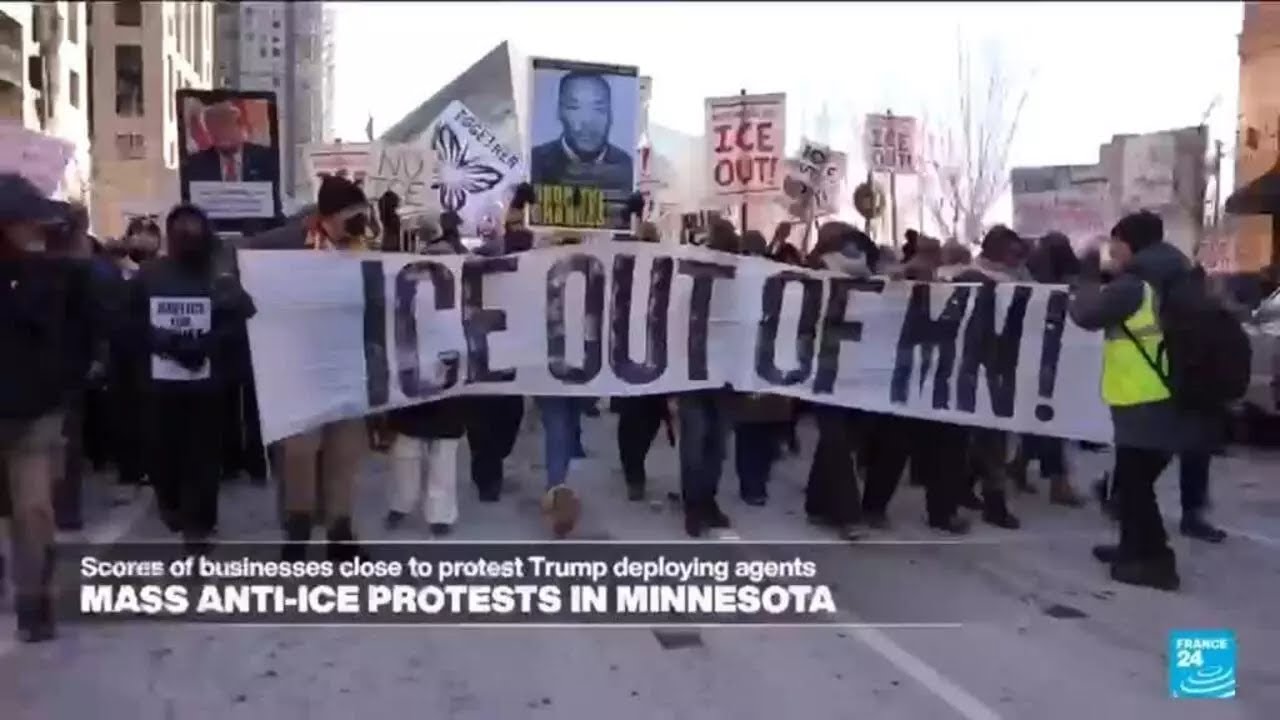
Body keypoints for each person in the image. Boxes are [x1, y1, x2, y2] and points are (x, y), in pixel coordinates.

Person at [1069, 211, 1220, 591]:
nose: (1112, 248)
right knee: (1132, 479)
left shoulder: (1135, 283)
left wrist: (1087, 277)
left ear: (1129, 241)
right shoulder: (1182, 273)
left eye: (1115, 241)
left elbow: (1085, 314)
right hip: (1174, 390)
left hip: (1145, 395)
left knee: (1135, 485)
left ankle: (1156, 562)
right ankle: (1131, 547)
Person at [126, 204, 256, 554]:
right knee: (162, 455)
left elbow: (243, 314)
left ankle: (198, 528)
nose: (188, 237)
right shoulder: (150, 275)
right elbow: (129, 321)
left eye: (195, 230)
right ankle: (172, 506)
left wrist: (205, 344)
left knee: (203, 459)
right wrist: (168, 345)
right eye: (181, 230)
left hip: (206, 386)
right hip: (160, 386)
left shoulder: (218, 274)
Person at [0, 174, 97, 642]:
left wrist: (65, 383)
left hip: (35, 414)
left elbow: (83, 328)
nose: (36, 231)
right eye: (26, 223)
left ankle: (34, 601)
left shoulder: (56, 275)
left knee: (34, 508)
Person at [265, 175, 374, 561]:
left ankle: (340, 535)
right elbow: (241, 256)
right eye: (353, 215)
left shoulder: (365, 250)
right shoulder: (289, 243)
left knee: (345, 456)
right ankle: (296, 534)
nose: (361, 222)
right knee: (300, 454)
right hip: (300, 369)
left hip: (347, 368)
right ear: (329, 216)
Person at [861, 233, 972, 534]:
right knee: (896, 448)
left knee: (940, 449)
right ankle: (878, 507)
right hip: (906, 380)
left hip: (931, 381)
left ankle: (938, 510)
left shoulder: (941, 288)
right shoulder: (897, 284)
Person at [385, 225, 465, 535]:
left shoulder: (459, 303)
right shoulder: (404, 299)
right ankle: (402, 503)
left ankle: (440, 514)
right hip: (413, 384)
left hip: (445, 385)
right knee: (407, 450)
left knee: (441, 453)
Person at [803, 222, 879, 539]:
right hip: (837, 364)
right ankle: (847, 514)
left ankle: (817, 504)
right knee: (836, 438)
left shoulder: (818, 269)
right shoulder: (825, 271)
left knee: (838, 438)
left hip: (839, 362)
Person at [950, 225, 1024, 530]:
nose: (1016, 259)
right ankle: (994, 503)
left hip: (999, 367)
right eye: (1012, 253)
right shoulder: (971, 279)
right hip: (980, 368)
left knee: (984, 436)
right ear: (996, 251)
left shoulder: (1014, 281)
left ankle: (963, 488)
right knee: (991, 436)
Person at [1008, 231, 1086, 507]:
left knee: (1040, 417)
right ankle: (1058, 482)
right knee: (1051, 418)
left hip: (1035, 354)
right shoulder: (1067, 282)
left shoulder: (1027, 277)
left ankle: (1020, 464)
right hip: (1051, 355)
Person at [676, 219, 739, 537]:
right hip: (697, 371)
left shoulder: (743, 279)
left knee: (708, 442)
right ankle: (697, 504)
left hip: (720, 372)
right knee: (704, 441)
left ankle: (703, 503)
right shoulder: (693, 278)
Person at [731, 230, 793, 505]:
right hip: (772, 362)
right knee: (765, 429)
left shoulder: (733, 275)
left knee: (750, 431)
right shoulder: (780, 276)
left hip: (750, 362)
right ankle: (757, 484)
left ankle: (751, 484)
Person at [612, 221, 670, 501]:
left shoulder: (627, 267)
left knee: (632, 419)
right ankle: (635, 470)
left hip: (631, 354)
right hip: (652, 355)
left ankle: (633, 471)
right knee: (647, 418)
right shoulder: (661, 266)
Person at [529, 72, 633, 190]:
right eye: (575, 107)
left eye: (599, 109)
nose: (587, 121)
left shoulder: (628, 168)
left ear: (611, 115)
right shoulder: (534, 163)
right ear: (559, 112)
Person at [183, 100, 278, 183]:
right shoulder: (195, 165)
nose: (221, 133)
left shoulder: (267, 159)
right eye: (215, 127)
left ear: (240, 127)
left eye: (226, 124)